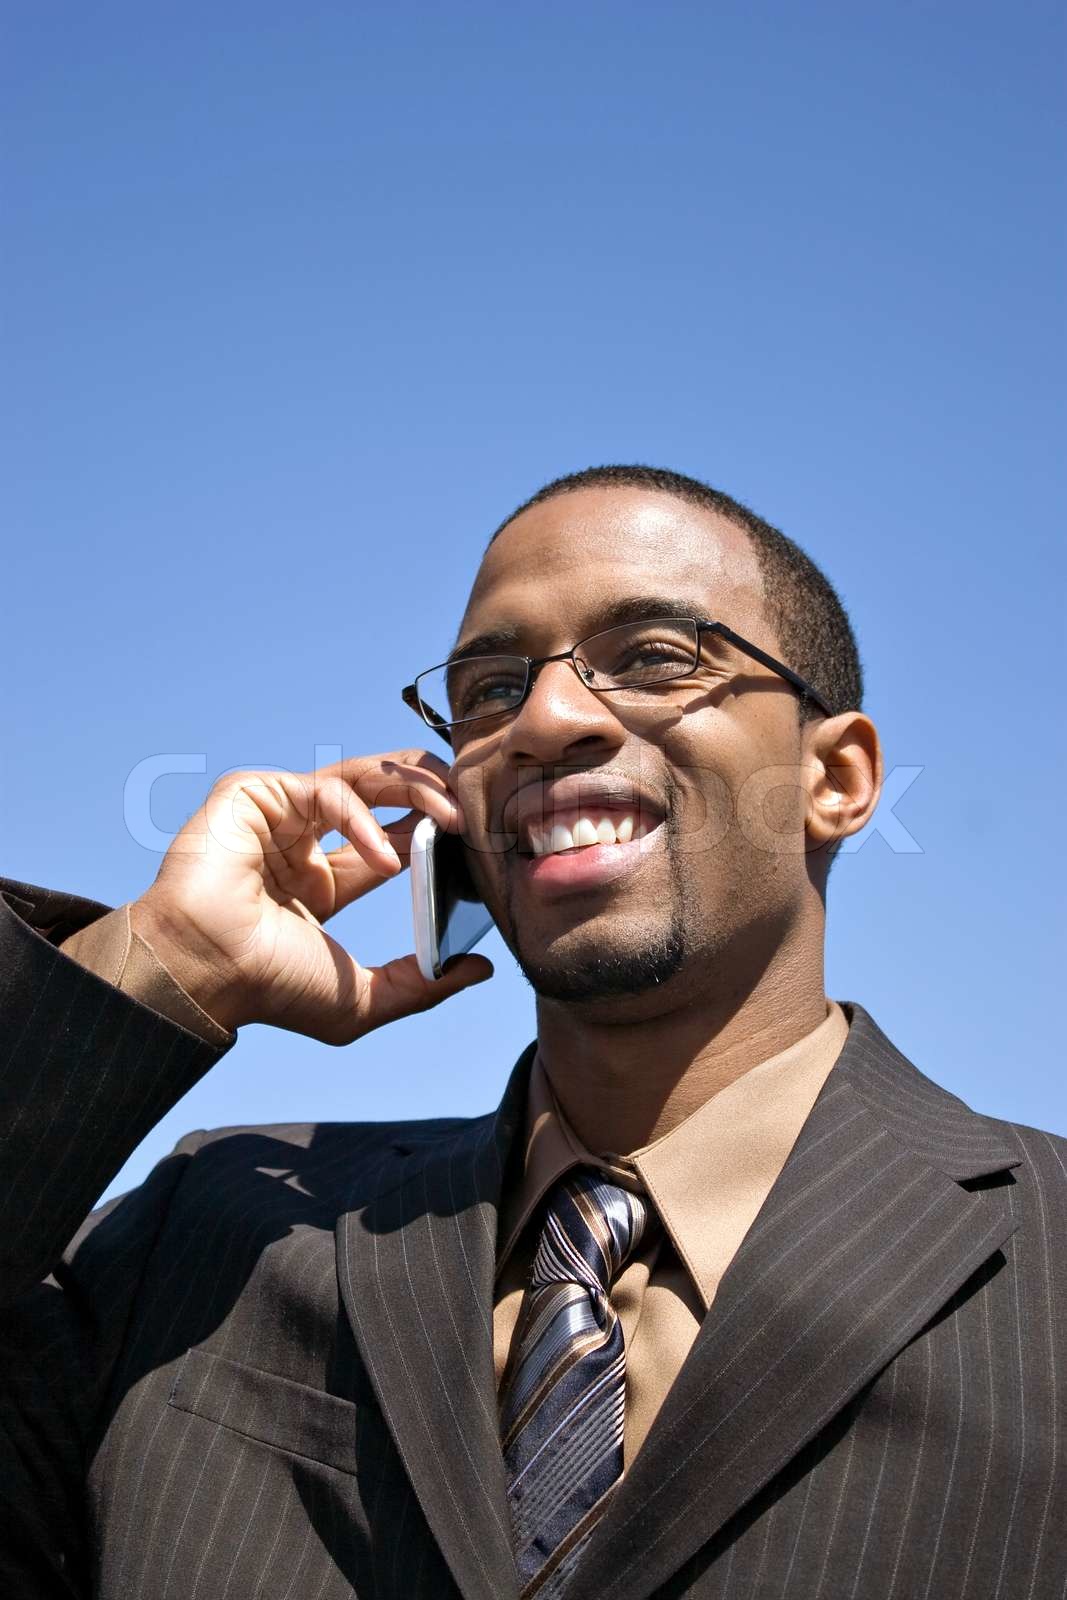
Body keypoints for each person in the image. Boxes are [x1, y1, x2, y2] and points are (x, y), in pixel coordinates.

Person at [1, 464, 1062, 1600]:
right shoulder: (206, 1233)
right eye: (490, 686)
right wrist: (161, 964)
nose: (546, 720)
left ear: (835, 778)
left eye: (656, 656)